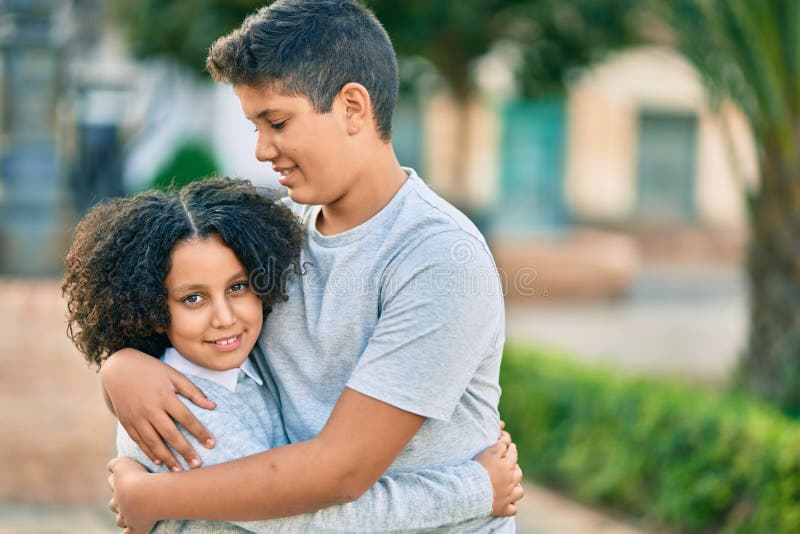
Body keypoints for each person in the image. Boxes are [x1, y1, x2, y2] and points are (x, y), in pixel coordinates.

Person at [102, 1, 524, 532]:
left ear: (352, 107)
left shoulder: (438, 258)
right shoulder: (278, 229)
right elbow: (192, 317)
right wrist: (120, 367)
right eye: (255, 125)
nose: (261, 150)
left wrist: (157, 496)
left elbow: (339, 471)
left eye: (276, 122)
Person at [63, 178, 519, 533]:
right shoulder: (183, 412)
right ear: (150, 308)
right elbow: (305, 520)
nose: (224, 317)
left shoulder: (243, 371)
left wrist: (119, 366)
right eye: (193, 299)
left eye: (238, 287)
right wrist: (476, 489)